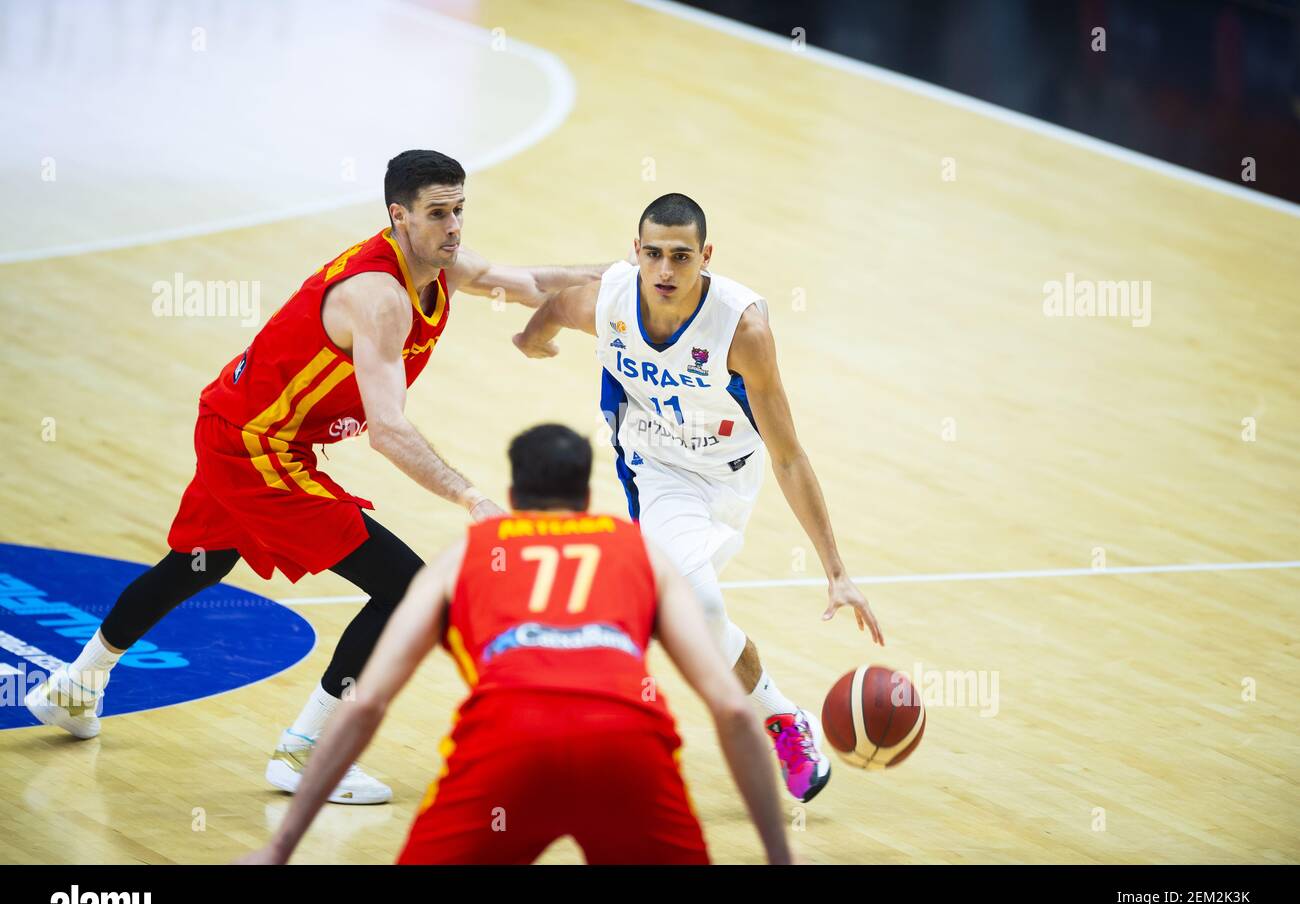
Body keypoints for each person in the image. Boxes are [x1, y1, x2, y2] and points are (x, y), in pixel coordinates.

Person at [25, 150, 611, 805]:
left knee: (197, 564)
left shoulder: (440, 265)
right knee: (406, 589)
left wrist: (621, 276)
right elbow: (387, 431)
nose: (453, 226)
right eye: (438, 213)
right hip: (256, 446)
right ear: (399, 216)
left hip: (238, 420)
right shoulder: (379, 296)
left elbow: (528, 282)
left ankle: (75, 686)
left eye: (459, 210)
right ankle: (305, 752)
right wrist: (469, 494)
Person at [239, 424, 791, 864]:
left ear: (510, 495)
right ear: (586, 497)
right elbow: (731, 712)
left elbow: (368, 704)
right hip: (625, 746)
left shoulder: (467, 556)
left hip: (506, 745)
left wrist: (281, 847)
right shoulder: (641, 553)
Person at [511, 193, 886, 802]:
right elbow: (555, 303)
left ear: (705, 257)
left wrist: (836, 571)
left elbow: (788, 454)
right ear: (635, 252)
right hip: (658, 472)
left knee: (686, 611)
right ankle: (780, 719)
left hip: (731, 475)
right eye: (653, 254)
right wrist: (532, 337)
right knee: (696, 607)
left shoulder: (743, 329)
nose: (665, 271)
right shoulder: (610, 301)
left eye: (681, 257)